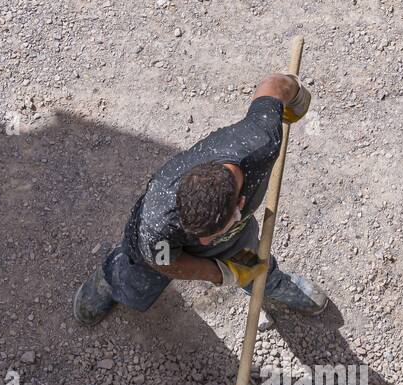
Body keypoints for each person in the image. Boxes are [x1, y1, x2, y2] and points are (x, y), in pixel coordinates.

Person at [74, 72, 327, 325]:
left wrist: (297, 98)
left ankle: (269, 281)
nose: (204, 242)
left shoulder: (261, 140)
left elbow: (275, 84)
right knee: (137, 272)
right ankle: (111, 280)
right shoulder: (157, 224)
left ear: (239, 203)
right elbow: (165, 262)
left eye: (211, 233)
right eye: (200, 234)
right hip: (162, 247)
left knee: (251, 263)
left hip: (235, 236)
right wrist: (217, 274)